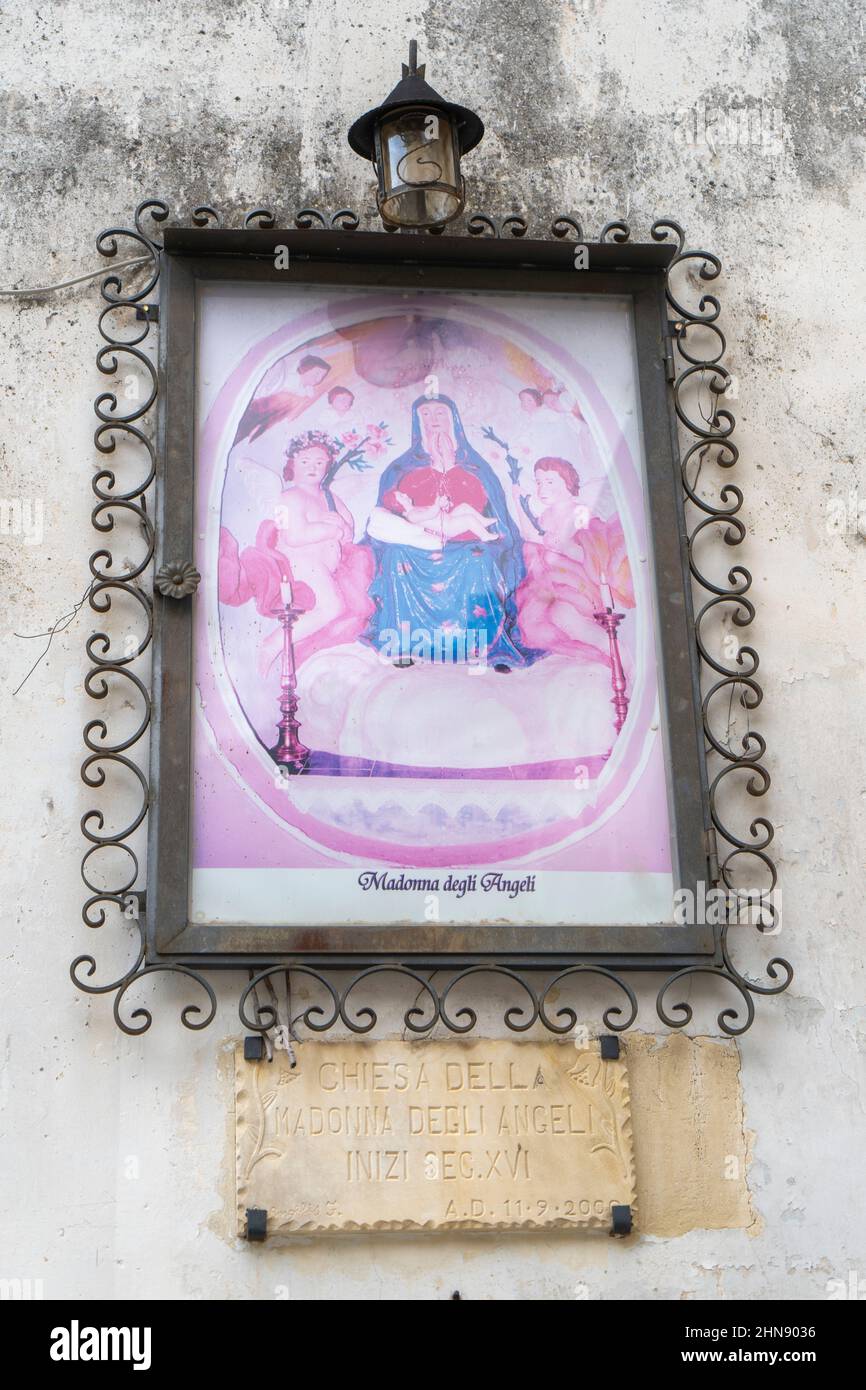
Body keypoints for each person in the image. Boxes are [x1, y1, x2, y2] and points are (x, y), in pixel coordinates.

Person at [364, 395, 542, 670]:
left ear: (453, 421)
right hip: (418, 542)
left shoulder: (476, 469)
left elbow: (494, 513)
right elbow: (387, 517)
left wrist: (449, 466)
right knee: (395, 555)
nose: (434, 421)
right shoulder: (400, 470)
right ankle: (403, 644)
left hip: (466, 542)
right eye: (427, 415)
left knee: (479, 557)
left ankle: (487, 647)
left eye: (440, 414)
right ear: (417, 423)